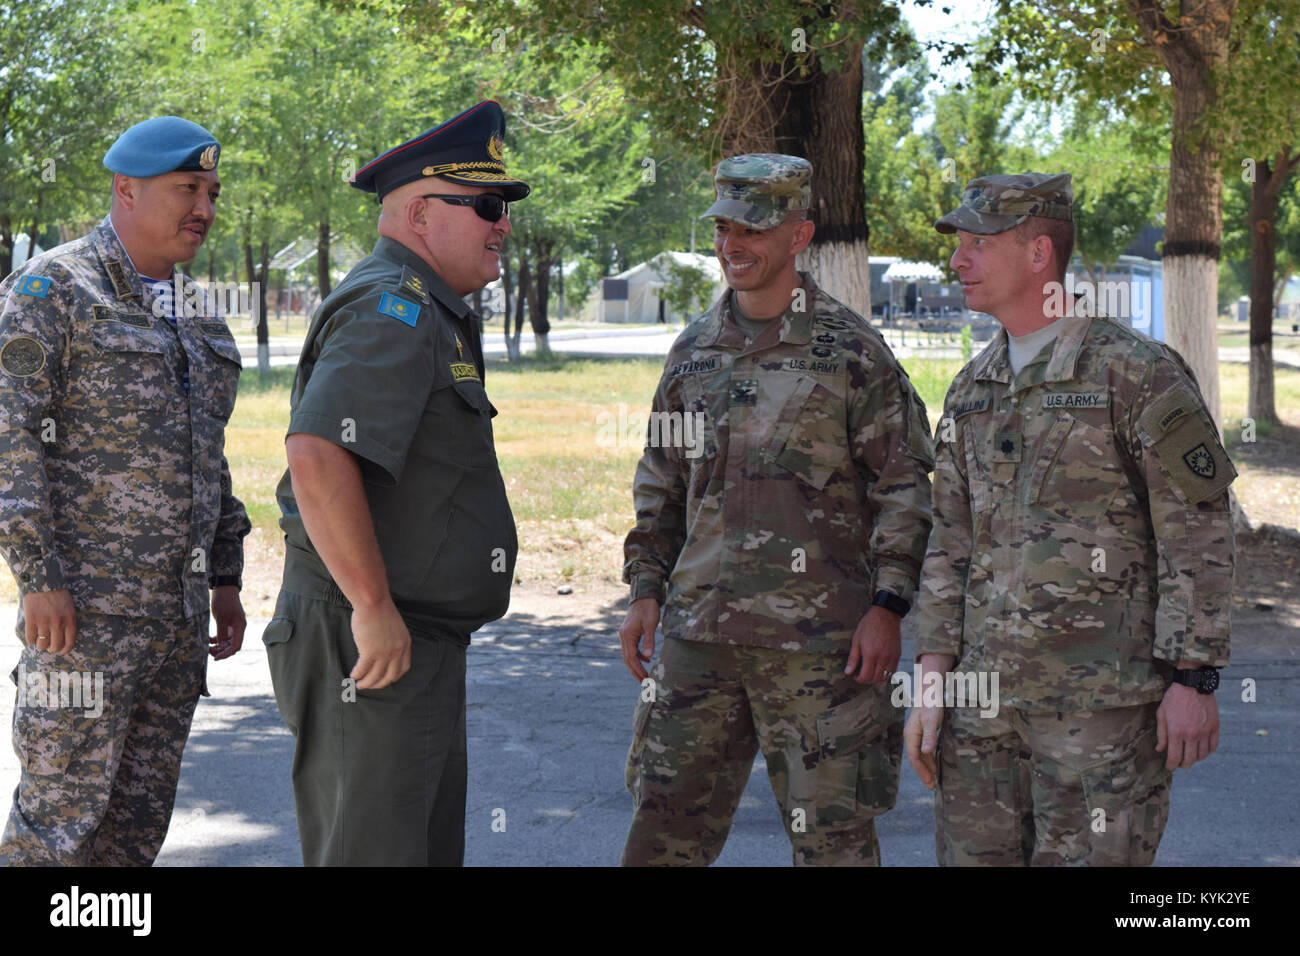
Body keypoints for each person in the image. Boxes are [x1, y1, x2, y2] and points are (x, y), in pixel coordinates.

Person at [906, 172, 1236, 866]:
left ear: (1037, 255)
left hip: (1101, 715)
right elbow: (949, 544)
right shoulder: (973, 387)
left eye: (977, 245)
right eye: (958, 246)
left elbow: (1198, 526)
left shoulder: (1136, 372)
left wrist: (1194, 676)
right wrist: (930, 682)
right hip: (980, 713)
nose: (957, 261)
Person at [618, 153, 935, 866]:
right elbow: (662, 483)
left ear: (800, 235)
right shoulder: (693, 353)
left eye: (754, 228)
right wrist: (644, 593)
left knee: (834, 844)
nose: (734, 245)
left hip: (824, 647)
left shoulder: (853, 353)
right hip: (699, 635)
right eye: (725, 227)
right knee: (663, 832)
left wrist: (889, 606)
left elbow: (905, 488)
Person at [264, 100, 527, 867]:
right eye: (485, 205)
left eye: (502, 207)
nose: (501, 224)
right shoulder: (397, 308)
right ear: (419, 215)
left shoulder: (427, 309)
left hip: (408, 637)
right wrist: (374, 607)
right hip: (373, 637)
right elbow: (318, 453)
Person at [0, 116, 250, 865]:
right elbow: (9, 437)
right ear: (126, 190)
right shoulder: (54, 291)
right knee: (57, 828)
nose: (203, 206)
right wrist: (38, 577)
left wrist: (226, 575)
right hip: (83, 625)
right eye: (186, 188)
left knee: (133, 834)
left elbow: (208, 453)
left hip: (175, 625)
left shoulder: (198, 312)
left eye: (210, 190)